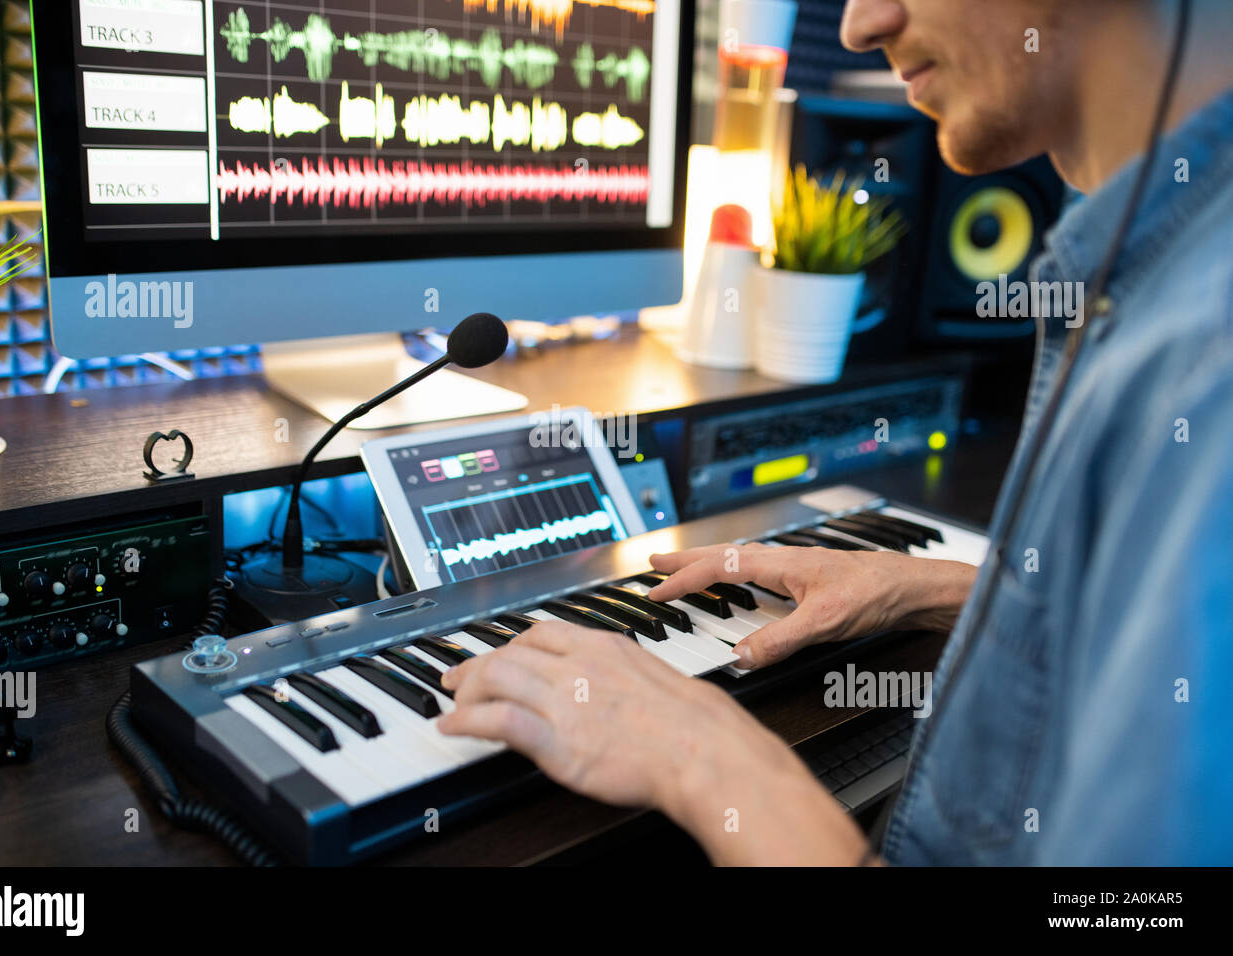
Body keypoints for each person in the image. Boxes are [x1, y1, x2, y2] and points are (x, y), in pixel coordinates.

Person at [437, 0, 1233, 865]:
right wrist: (936, 589)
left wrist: (706, 760)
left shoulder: (1206, 368)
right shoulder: (1156, 285)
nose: (859, 24)